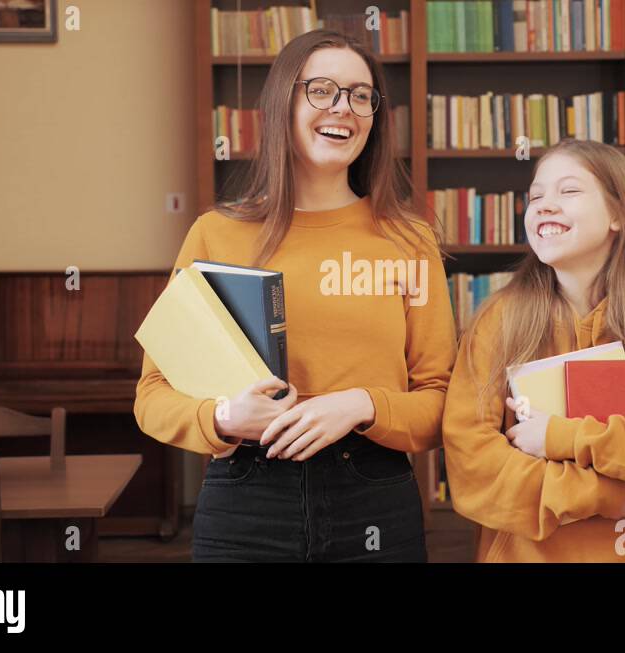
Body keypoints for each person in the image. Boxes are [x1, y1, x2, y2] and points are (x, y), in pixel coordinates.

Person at [134, 30, 456, 562]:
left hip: (372, 496)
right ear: (283, 101)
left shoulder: (409, 240)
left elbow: (440, 400)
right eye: (323, 90)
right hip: (245, 498)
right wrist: (223, 418)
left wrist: (359, 405)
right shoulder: (216, 234)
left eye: (360, 95)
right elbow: (151, 395)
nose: (344, 108)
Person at [442, 139, 625, 562]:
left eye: (569, 191)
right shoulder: (497, 321)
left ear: (618, 214)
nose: (545, 205)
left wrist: (561, 436)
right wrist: (604, 492)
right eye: (535, 196)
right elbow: (473, 467)